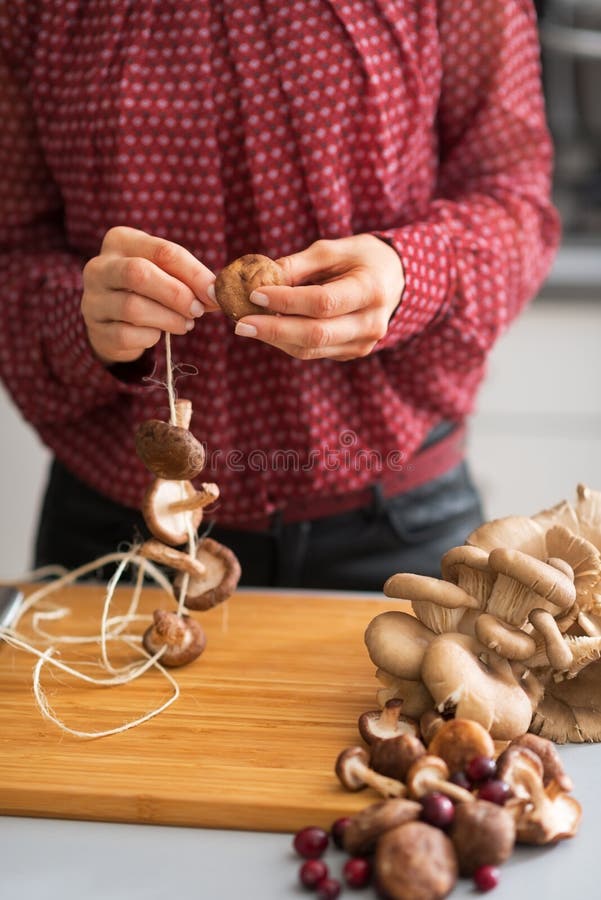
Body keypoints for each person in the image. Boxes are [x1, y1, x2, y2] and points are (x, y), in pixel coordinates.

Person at [0, 1, 559, 591]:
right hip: (124, 536)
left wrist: (410, 273)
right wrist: (83, 322)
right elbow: (11, 246)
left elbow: (514, 197)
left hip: (396, 520)